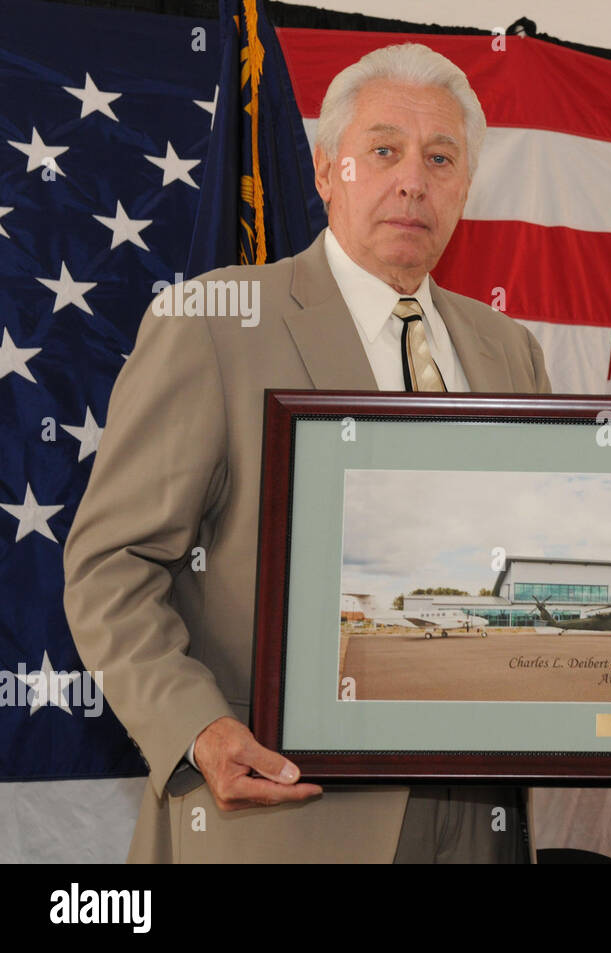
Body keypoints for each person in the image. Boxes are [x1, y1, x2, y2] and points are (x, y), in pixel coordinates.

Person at [62, 44, 549, 863]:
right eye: (383, 151)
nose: (412, 181)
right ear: (328, 171)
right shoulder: (213, 325)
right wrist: (198, 727)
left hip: (482, 814)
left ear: (467, 185)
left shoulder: (512, 352)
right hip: (285, 820)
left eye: (440, 159)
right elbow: (111, 566)